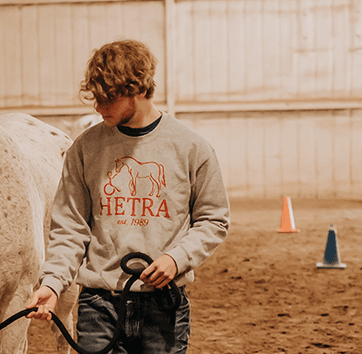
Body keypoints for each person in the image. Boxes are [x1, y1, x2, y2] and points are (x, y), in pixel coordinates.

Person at [26, 39, 230, 353]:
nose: (98, 107)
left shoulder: (192, 148)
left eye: (108, 98)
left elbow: (213, 220)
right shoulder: (84, 149)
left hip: (164, 306)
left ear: (136, 89)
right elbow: (70, 228)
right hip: (99, 307)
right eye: (96, 97)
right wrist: (52, 283)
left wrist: (176, 259)